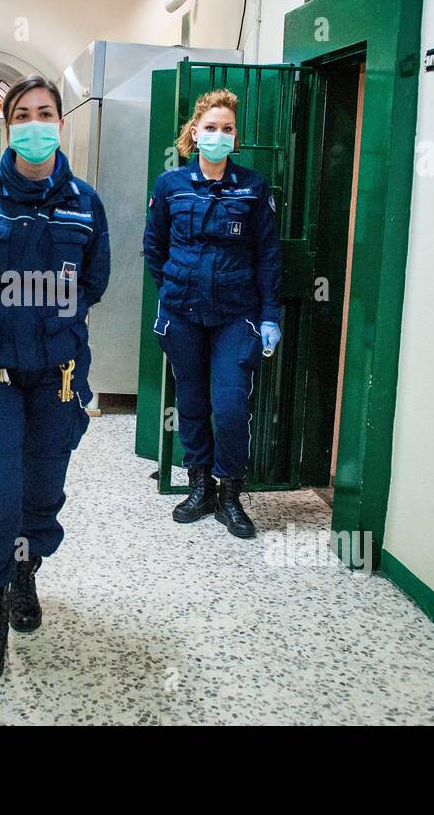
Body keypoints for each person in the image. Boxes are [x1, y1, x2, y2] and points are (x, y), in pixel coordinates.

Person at [0, 75, 111, 683]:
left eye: (46, 113)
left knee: (43, 489)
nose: (36, 124)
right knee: (1, 487)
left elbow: (94, 282)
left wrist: (46, 318)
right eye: (23, 115)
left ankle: (24, 571)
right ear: (8, 127)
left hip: (58, 372)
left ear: (60, 123)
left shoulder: (85, 203)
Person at [142, 88, 283, 539]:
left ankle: (230, 494)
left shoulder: (253, 187)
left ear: (235, 138)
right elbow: (154, 247)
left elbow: (267, 255)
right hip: (182, 313)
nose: (218, 136)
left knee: (228, 405)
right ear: (195, 133)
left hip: (235, 315)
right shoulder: (170, 185)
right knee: (192, 402)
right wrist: (171, 291)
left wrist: (269, 315)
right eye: (211, 128)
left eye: (227, 129)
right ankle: (199, 484)